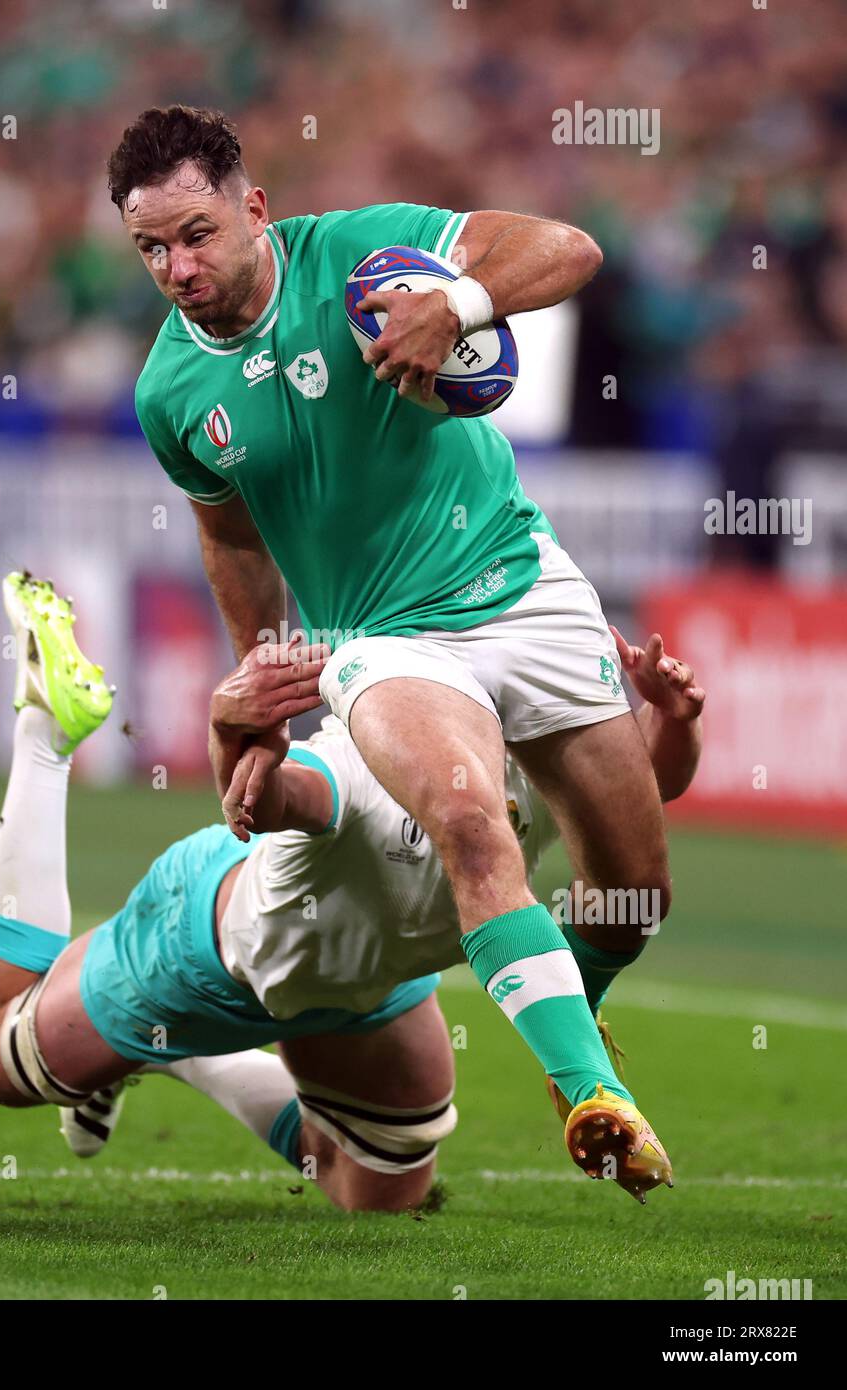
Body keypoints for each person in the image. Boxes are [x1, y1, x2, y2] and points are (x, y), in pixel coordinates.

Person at [113, 106, 692, 1107]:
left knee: (632, 893)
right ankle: (594, 1095)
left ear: (253, 209)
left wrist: (458, 303)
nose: (177, 269)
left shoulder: (353, 254)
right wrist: (264, 686)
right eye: (150, 249)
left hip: (520, 585)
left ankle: (575, 1012)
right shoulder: (169, 390)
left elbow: (568, 249)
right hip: (381, 640)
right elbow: (233, 535)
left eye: (197, 235)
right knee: (472, 820)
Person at [0, 573, 704, 1209]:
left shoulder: (535, 760)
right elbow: (271, 800)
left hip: (370, 990)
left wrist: (672, 721)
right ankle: (46, 736)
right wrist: (233, 736)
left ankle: (179, 1059)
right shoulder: (361, 765)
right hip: (205, 958)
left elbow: (640, 795)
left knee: (380, 1193)